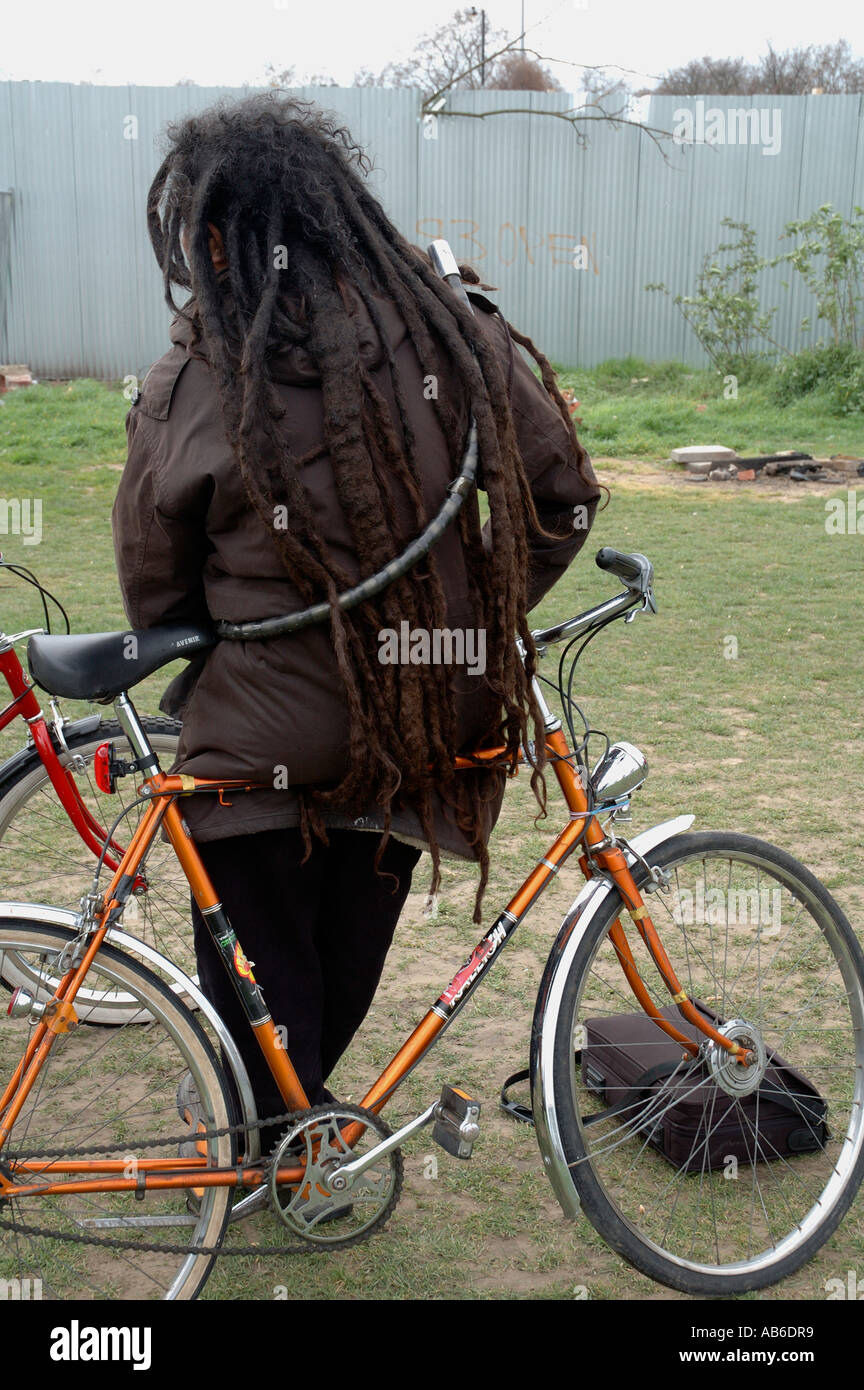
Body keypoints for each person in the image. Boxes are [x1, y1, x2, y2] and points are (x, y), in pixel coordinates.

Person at [112, 91, 602, 1145]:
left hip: (256, 736)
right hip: (417, 717)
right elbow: (558, 499)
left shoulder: (198, 366)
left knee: (262, 962)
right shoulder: (451, 326)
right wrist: (464, 615)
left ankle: (269, 1142)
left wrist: (217, 655)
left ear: (211, 233)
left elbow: (153, 573)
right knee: (346, 937)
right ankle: (289, 1138)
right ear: (344, 205)